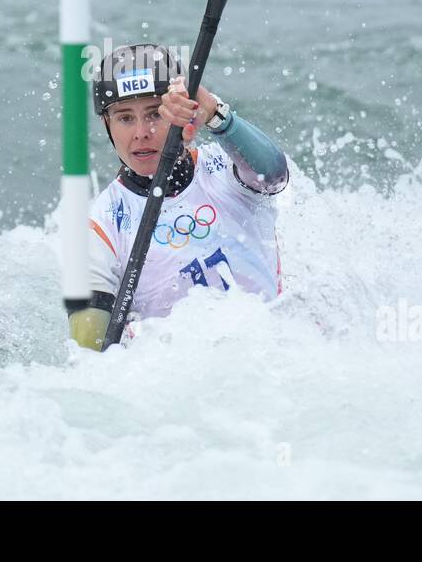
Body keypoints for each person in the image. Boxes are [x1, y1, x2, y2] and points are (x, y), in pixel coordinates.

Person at [69, 43, 289, 350]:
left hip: (276, 354)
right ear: (107, 124)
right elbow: (88, 355)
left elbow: (274, 174)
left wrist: (215, 114)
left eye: (154, 114)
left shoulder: (225, 167)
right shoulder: (101, 226)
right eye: (125, 118)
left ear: (181, 114)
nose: (141, 133)